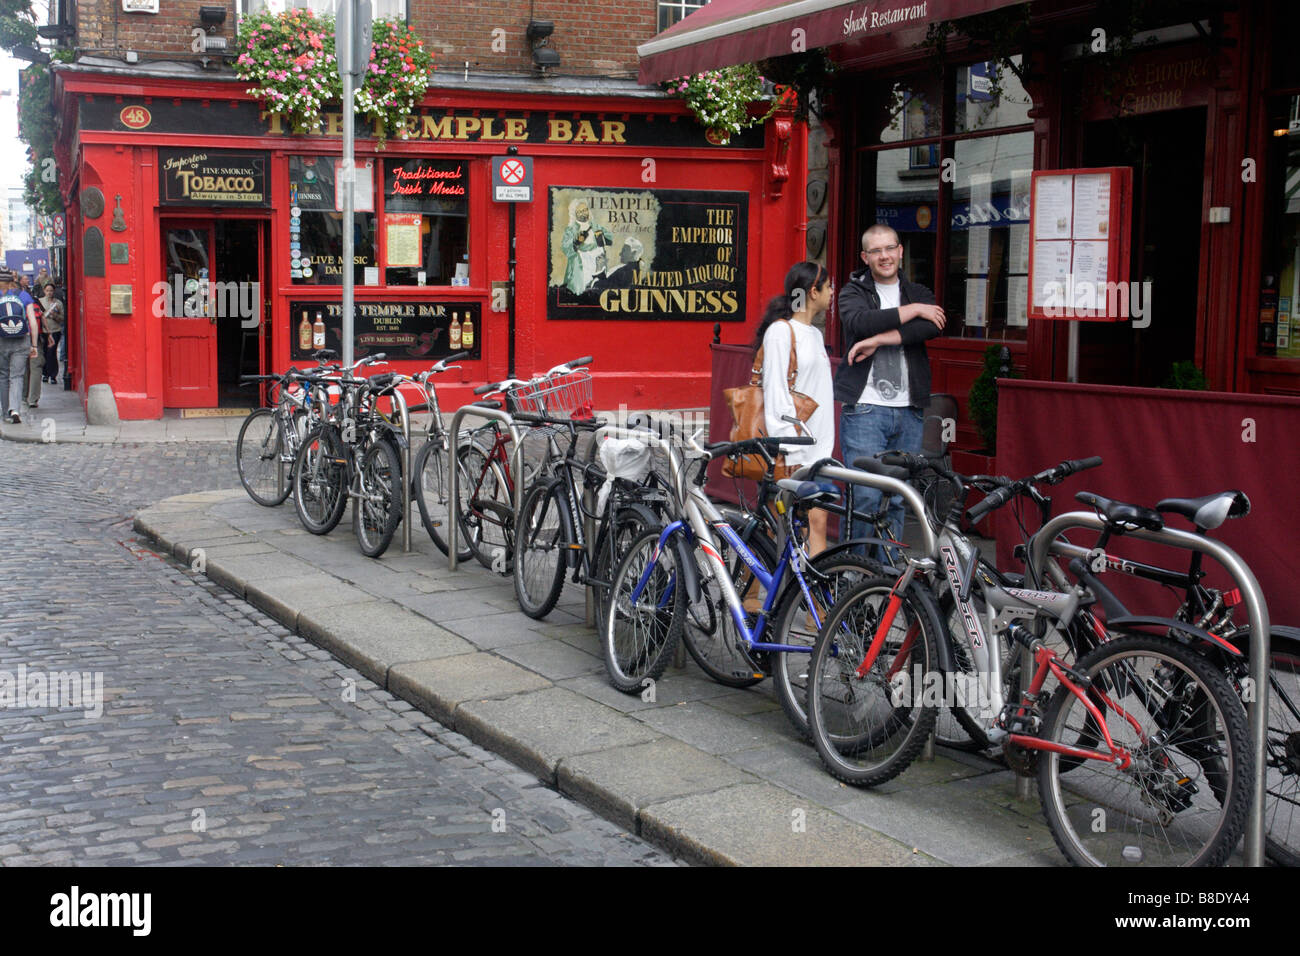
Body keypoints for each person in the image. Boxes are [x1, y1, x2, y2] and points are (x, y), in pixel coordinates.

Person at [833, 224, 946, 560]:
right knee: (865, 495)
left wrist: (880, 339)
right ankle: (852, 574)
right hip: (866, 409)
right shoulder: (852, 293)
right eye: (876, 251)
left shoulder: (919, 291)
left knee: (900, 497)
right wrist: (911, 313)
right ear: (865, 257)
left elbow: (933, 326)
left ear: (900, 251)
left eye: (889, 249)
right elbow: (861, 323)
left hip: (910, 410)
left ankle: (889, 580)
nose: (884, 256)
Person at [754, 261, 836, 555]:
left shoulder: (814, 334)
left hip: (819, 449)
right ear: (813, 291)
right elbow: (776, 392)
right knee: (783, 527)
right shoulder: (780, 332)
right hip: (794, 451)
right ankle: (769, 596)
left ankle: (816, 598)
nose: (832, 292)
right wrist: (791, 451)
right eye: (828, 286)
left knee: (816, 523)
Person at [0, 271, 38, 424]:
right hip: (22, 340)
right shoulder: (23, 296)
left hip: (2, 340)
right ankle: (15, 409)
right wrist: (34, 345)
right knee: (17, 376)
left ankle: (5, 412)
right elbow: (33, 322)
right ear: (13, 281)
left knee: (3, 376)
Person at [560, 200, 614, 295]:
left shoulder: (594, 226)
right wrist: (577, 242)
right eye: (580, 211)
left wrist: (602, 238)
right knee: (583, 292)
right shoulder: (571, 230)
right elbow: (566, 249)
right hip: (582, 264)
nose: (584, 213)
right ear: (574, 214)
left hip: (599, 263)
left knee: (599, 289)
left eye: (585, 210)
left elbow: (610, 238)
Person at [15, 274, 42, 410]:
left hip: (11, 338)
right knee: (35, 367)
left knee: (18, 371)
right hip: (29, 336)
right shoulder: (26, 297)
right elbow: (34, 322)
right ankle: (32, 398)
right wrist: (35, 344)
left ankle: (21, 399)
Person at [40, 282, 64, 383]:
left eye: (51, 291)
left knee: (52, 353)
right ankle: (45, 374)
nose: (49, 292)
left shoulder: (58, 303)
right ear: (44, 291)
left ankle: (53, 375)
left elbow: (62, 318)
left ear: (53, 291)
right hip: (43, 331)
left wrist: (54, 315)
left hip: (55, 330)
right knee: (44, 352)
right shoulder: (40, 302)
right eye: (47, 291)